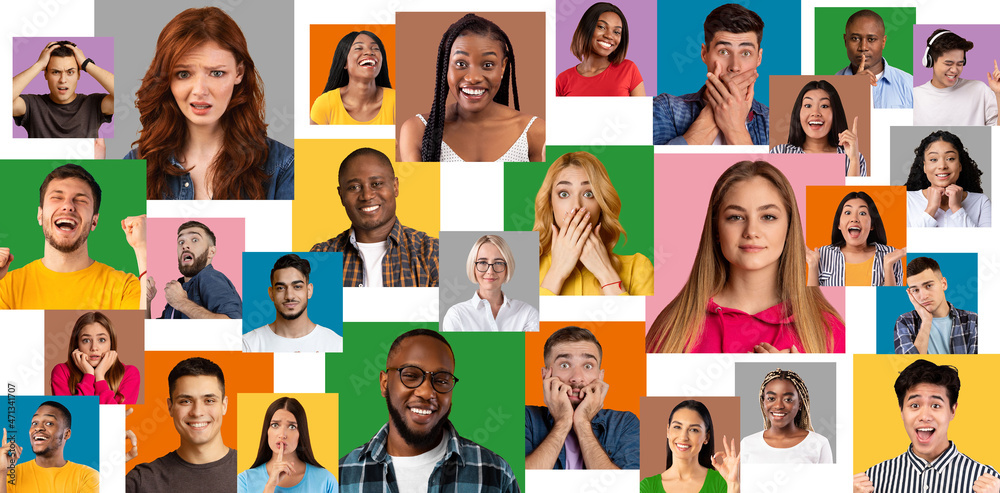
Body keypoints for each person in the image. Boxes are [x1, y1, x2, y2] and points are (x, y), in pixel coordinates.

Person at [646, 161, 844, 353]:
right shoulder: (672, 328)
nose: (751, 231)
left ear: (789, 228)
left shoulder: (830, 332)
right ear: (716, 229)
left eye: (768, 217)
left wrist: (796, 374)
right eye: (736, 217)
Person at [126, 7, 294, 200]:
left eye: (216, 73)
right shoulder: (134, 165)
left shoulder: (284, 166)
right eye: (183, 74)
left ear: (239, 73)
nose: (199, 90)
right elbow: (109, 220)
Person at [339, 329, 520, 492]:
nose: (426, 392)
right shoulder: (342, 475)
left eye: (441, 380)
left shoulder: (496, 473)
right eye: (410, 375)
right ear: (384, 383)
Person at [399, 13, 545, 162]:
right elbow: (415, 179)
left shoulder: (534, 132)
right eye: (461, 64)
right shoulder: (418, 130)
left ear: (502, 67)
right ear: (446, 66)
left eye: (488, 65)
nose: (473, 78)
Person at [0, 164, 147, 310]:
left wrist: (143, 249)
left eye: (81, 200)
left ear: (94, 221)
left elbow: (142, 325)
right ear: (40, 215)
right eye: (57, 197)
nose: (68, 206)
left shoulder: (125, 288)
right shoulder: (6, 286)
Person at [853, 360, 1000, 493]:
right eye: (914, 405)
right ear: (902, 411)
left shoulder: (989, 482)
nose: (924, 416)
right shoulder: (874, 479)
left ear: (952, 410)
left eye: (935, 405)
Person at [310, 147, 439, 287]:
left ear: (395, 186)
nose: (367, 196)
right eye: (354, 187)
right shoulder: (320, 256)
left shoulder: (433, 252)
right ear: (341, 195)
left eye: (376, 184)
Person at [534, 151, 653, 296]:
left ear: (602, 204)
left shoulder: (638, 268)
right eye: (564, 194)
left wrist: (605, 273)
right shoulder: (524, 266)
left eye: (588, 194)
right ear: (550, 203)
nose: (576, 206)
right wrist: (556, 272)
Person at [652, 4, 768, 146]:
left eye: (746, 53)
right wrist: (714, 110)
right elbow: (649, 161)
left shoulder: (772, 121)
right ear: (704, 54)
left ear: (759, 58)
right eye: (723, 52)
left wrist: (736, 129)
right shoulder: (665, 109)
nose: (735, 67)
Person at [525, 326, 639, 469]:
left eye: (588, 366)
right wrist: (563, 422)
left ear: (600, 377)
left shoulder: (625, 424)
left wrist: (582, 423)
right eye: (565, 365)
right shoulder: (525, 417)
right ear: (545, 375)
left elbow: (625, 483)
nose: (577, 378)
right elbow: (516, 480)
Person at [126, 357, 237, 493]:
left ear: (224, 405)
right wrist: (109, 461)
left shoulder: (252, 472)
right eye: (186, 401)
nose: (197, 412)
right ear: (170, 407)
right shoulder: (141, 481)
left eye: (209, 400)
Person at [13, 40, 114, 138]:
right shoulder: (32, 105)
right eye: (56, 72)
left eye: (70, 72)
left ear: (79, 74)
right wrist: (39, 65)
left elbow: (122, 92)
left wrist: (86, 63)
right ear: (45, 74)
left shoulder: (94, 104)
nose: (63, 80)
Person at [243, 254, 344, 352]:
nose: (289, 296)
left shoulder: (336, 345)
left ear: (309, 290)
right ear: (271, 294)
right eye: (281, 288)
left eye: (297, 287)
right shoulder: (248, 345)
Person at [237, 397, 338, 493]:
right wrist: (270, 485)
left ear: (301, 433)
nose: (282, 435)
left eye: (292, 426)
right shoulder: (244, 480)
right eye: (275, 425)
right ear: (267, 431)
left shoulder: (326, 480)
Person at [146, 221, 242, 319]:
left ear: (211, 252)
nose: (184, 245)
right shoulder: (178, 290)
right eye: (181, 242)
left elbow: (233, 324)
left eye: (195, 240)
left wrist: (181, 302)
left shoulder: (210, 277)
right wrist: (146, 302)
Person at [442, 235, 539, 332]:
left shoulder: (527, 313)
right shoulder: (456, 315)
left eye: (498, 263)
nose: (490, 271)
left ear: (508, 267)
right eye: (483, 262)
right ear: (473, 267)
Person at [769, 80, 866, 177]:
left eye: (824, 106)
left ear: (835, 113)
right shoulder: (780, 153)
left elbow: (854, 188)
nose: (815, 113)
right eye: (808, 105)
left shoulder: (853, 158)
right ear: (799, 112)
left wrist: (854, 160)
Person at [639, 400, 739, 493]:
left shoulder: (722, 482)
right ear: (668, 431)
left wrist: (733, 485)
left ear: (706, 437)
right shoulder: (647, 487)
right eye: (677, 427)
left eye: (694, 430)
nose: (683, 437)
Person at [809, 191, 904, 287]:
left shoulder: (891, 255)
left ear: (872, 225)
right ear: (839, 224)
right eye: (847, 212)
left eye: (862, 213)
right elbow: (812, 296)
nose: (854, 219)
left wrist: (888, 266)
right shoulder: (823, 254)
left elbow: (894, 297)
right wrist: (812, 266)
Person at [0, 401, 99, 493]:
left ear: (66, 434)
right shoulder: (9, 475)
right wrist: (2, 472)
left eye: (49, 423)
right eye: (34, 423)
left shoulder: (87, 477)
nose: (38, 428)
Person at [740, 369, 832, 463]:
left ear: (800, 404)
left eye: (788, 399)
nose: (778, 406)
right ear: (763, 401)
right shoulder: (747, 444)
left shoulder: (819, 443)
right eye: (771, 398)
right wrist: (730, 472)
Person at [913, 29, 1000, 126]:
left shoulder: (979, 90)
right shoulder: (915, 96)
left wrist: (998, 94)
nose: (954, 70)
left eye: (959, 64)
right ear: (930, 61)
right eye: (948, 63)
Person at [50, 311, 141, 404]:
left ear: (111, 343)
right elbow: (74, 412)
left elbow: (116, 414)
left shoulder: (129, 373)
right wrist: (88, 375)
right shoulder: (61, 371)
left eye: (101, 340)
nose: (94, 348)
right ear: (77, 344)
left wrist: (99, 376)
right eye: (86, 340)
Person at [556, 2, 644, 97]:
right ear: (585, 28)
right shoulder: (562, 80)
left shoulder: (628, 69)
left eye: (616, 32)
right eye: (601, 27)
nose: (609, 36)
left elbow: (642, 107)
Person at [905, 130, 991, 227]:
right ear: (924, 167)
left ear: (960, 165)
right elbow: (897, 237)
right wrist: (931, 209)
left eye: (950, 158)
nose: (942, 166)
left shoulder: (981, 202)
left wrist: (957, 208)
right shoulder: (903, 200)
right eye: (933, 159)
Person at [894, 257, 978, 354]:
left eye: (928, 286)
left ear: (943, 284)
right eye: (915, 290)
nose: (923, 296)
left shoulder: (972, 320)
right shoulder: (905, 322)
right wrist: (926, 321)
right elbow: (908, 362)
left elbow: (977, 363)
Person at [311, 30, 394, 125]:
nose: (369, 52)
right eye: (358, 48)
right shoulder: (325, 104)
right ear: (344, 62)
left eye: (375, 48)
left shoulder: (397, 102)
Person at [835, 10, 913, 109]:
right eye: (855, 38)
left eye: (871, 39)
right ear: (845, 41)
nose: (863, 47)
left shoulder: (909, 84)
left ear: (883, 42)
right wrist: (852, 89)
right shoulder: (830, 85)